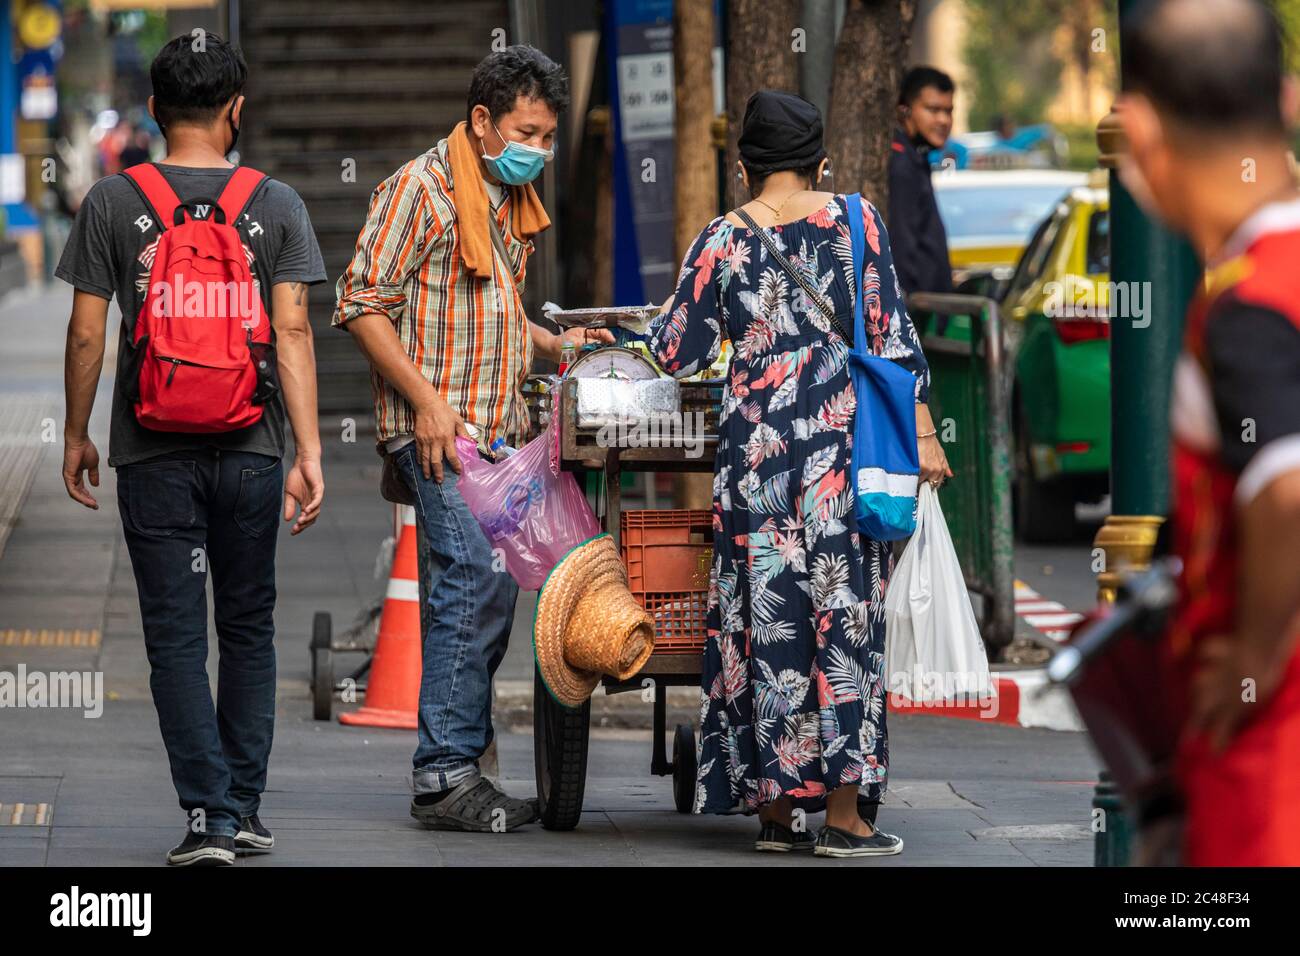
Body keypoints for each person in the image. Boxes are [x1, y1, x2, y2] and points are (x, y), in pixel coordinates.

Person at [647, 90, 951, 857]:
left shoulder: (721, 237)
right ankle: (845, 821)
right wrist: (925, 435)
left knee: (763, 618)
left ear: (744, 166)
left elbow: (675, 351)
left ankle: (775, 818)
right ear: (821, 161)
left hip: (754, 464)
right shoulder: (858, 220)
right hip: (840, 459)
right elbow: (894, 342)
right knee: (843, 622)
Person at [58, 34, 327, 866]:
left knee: (175, 638)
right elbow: (290, 331)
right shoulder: (274, 202)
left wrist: (74, 432)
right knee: (247, 627)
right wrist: (309, 450)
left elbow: (86, 335)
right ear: (236, 110)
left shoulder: (112, 199)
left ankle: (208, 816)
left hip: (152, 449)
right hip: (250, 448)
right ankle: (243, 809)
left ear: (152, 112)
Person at [333, 45, 610, 833]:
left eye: (551, 137)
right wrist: (423, 401)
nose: (543, 151)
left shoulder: (498, 200)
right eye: (530, 132)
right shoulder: (419, 189)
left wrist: (561, 345)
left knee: (483, 585)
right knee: (475, 576)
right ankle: (445, 772)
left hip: (490, 432)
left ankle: (459, 758)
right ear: (482, 121)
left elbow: (495, 316)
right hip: (434, 429)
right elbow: (362, 303)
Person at [1117, 0, 1300, 865]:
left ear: (1141, 131)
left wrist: (1255, 654)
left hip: (1266, 776)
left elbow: (1289, 488)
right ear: (1288, 100)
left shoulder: (1252, 305)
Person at [888, 66, 955, 298]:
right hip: (917, 315)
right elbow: (902, 247)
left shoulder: (916, 157)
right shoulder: (901, 165)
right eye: (933, 109)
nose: (944, 120)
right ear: (904, 110)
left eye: (949, 111)